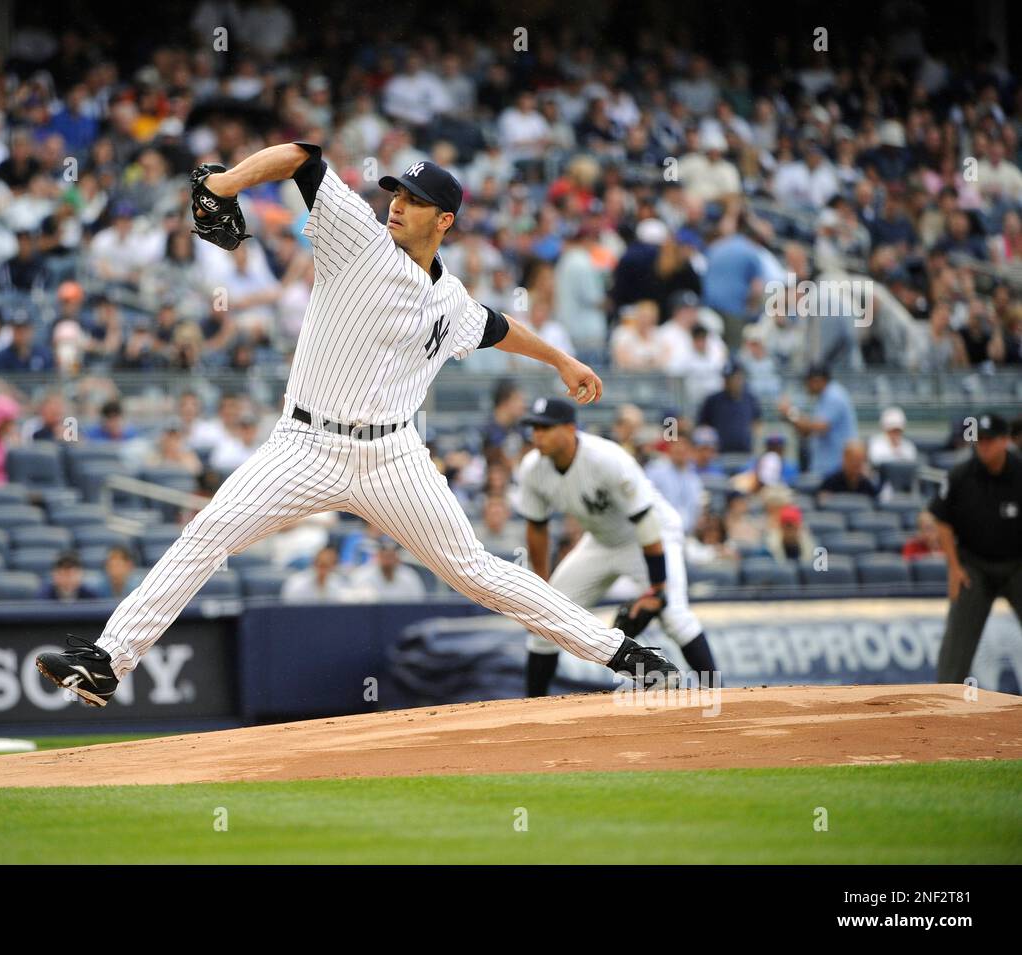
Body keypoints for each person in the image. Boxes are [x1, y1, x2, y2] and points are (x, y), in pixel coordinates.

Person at [36, 143, 679, 706]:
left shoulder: (449, 299)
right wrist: (222, 185)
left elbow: (495, 326)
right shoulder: (360, 237)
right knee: (208, 531)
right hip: (306, 445)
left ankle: (623, 653)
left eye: (415, 199)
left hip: (395, 458)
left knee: (477, 571)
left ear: (444, 219)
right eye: (396, 191)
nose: (397, 203)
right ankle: (106, 660)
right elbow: (300, 155)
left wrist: (561, 360)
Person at [515, 397, 717, 696]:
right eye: (534, 427)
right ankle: (530, 708)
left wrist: (658, 588)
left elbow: (646, 522)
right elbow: (536, 527)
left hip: (650, 536)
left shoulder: (606, 458)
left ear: (570, 428)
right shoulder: (533, 468)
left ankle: (722, 695)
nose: (537, 435)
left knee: (675, 617)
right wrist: (542, 585)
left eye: (545, 427)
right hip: (600, 540)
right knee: (546, 619)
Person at [927, 412, 1022, 683]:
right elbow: (942, 522)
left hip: (1017, 564)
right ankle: (945, 697)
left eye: (990, 440)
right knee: (956, 642)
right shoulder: (960, 475)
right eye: (980, 440)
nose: (984, 446)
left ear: (1005, 441)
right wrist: (954, 568)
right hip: (974, 565)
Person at [778, 364, 858, 477]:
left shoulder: (834, 395)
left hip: (836, 468)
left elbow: (818, 427)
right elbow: (806, 432)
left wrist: (790, 412)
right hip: (826, 467)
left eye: (807, 382)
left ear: (817, 380)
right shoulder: (824, 396)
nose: (806, 386)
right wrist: (789, 417)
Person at [644, 428, 704, 534]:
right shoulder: (655, 470)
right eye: (677, 446)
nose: (680, 450)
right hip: (660, 532)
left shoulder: (694, 479)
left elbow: (695, 512)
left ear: (690, 450)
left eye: (684, 447)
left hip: (686, 535)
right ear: (670, 448)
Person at [697, 361, 762, 453]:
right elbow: (703, 426)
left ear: (740, 377)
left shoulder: (750, 399)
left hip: (745, 453)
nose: (728, 382)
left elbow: (757, 422)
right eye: (726, 378)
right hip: (719, 455)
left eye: (731, 378)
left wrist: (752, 438)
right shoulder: (713, 400)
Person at [349, 537, 427, 601]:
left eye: (391, 555)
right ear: (377, 556)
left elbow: (419, 603)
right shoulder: (362, 576)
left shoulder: (410, 577)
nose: (388, 559)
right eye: (384, 555)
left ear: (397, 557)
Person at [281, 544, 351, 604]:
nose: (323, 570)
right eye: (321, 565)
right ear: (314, 563)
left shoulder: (339, 583)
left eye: (327, 566)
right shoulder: (296, 582)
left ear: (333, 566)